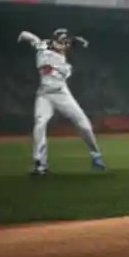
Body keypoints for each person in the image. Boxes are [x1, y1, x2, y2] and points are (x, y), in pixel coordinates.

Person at [18, 28, 105, 175]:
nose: (64, 45)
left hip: (61, 94)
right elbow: (32, 38)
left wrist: (77, 41)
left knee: (84, 124)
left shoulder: (67, 61)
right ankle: (40, 164)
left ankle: (96, 156)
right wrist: (23, 35)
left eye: (66, 42)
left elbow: (63, 64)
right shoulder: (44, 47)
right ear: (54, 40)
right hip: (44, 95)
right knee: (40, 123)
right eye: (61, 41)